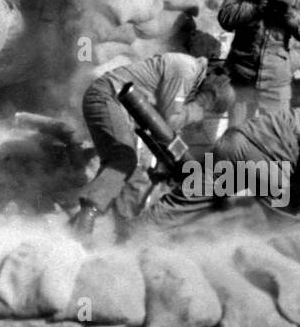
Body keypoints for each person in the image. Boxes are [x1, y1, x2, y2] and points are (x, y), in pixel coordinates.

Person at [72, 53, 235, 237]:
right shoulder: (186, 70)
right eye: (208, 107)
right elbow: (170, 121)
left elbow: (165, 132)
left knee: (135, 170)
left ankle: (119, 229)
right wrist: (196, 109)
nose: (205, 114)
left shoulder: (191, 79)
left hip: (122, 107)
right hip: (108, 96)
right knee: (122, 158)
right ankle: (84, 223)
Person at [140, 107, 300, 230]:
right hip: (258, 159)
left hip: (231, 144)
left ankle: (131, 236)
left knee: (188, 201)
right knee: (293, 219)